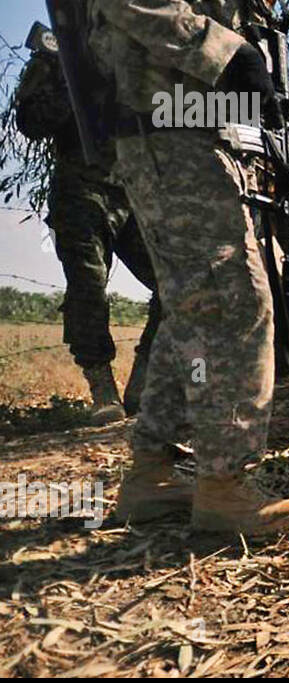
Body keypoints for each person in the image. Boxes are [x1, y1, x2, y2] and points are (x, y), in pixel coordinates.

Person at [82, 0, 289, 534]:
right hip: (166, 139)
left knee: (193, 312)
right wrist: (226, 55)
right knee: (238, 300)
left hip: (190, 141)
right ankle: (225, 485)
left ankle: (153, 474)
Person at [12, 46, 163, 424]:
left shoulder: (144, 51)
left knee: (175, 280)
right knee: (88, 286)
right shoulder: (60, 52)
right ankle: (102, 391)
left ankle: (144, 381)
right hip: (81, 190)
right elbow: (31, 122)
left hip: (135, 192)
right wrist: (73, 79)